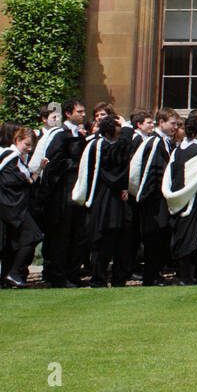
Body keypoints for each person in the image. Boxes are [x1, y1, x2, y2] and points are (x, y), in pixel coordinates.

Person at [72, 109, 136, 287]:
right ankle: (99, 278)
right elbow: (111, 171)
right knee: (104, 241)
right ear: (109, 131)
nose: (120, 130)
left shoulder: (108, 145)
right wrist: (121, 184)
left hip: (113, 198)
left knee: (119, 241)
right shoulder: (100, 147)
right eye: (117, 127)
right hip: (105, 199)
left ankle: (116, 278)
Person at [0, 124, 43, 288]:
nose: (29, 148)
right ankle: (2, 277)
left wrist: (36, 172)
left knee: (7, 244)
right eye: (26, 144)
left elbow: (26, 181)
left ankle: (6, 277)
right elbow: (8, 181)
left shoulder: (17, 158)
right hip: (4, 207)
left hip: (11, 206)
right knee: (1, 244)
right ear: (17, 140)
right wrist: (25, 179)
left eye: (31, 146)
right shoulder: (9, 156)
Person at [34, 99, 87, 287]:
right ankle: (58, 275)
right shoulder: (60, 135)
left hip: (76, 194)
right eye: (79, 112)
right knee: (62, 237)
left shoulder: (80, 134)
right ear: (68, 113)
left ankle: (73, 273)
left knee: (76, 235)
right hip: (62, 195)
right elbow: (53, 164)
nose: (83, 115)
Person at [163, 113, 197, 286]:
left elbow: (171, 175)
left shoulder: (177, 152)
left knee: (183, 238)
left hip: (180, 201)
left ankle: (185, 275)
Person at [129, 108, 179, 286]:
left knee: (161, 237)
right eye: (172, 124)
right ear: (162, 122)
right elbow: (151, 173)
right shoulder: (155, 143)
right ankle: (151, 276)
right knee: (153, 238)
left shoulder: (164, 142)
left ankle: (155, 272)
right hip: (154, 200)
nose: (175, 127)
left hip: (161, 199)